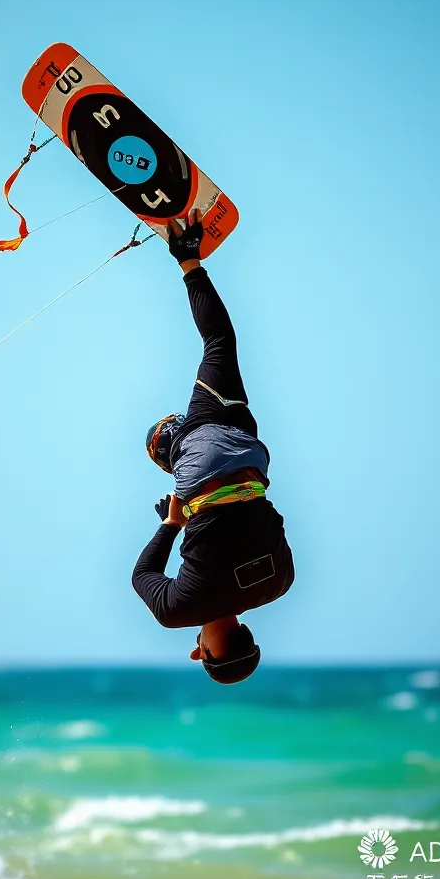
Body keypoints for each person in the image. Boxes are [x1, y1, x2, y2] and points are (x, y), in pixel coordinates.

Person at [132, 209, 294, 684]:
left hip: (247, 452)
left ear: (250, 637)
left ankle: (191, 261)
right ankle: (169, 442)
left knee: (220, 342)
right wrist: (173, 523)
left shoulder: (281, 584)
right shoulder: (179, 610)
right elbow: (142, 576)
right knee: (157, 442)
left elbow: (268, 520)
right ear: (202, 654)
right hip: (201, 465)